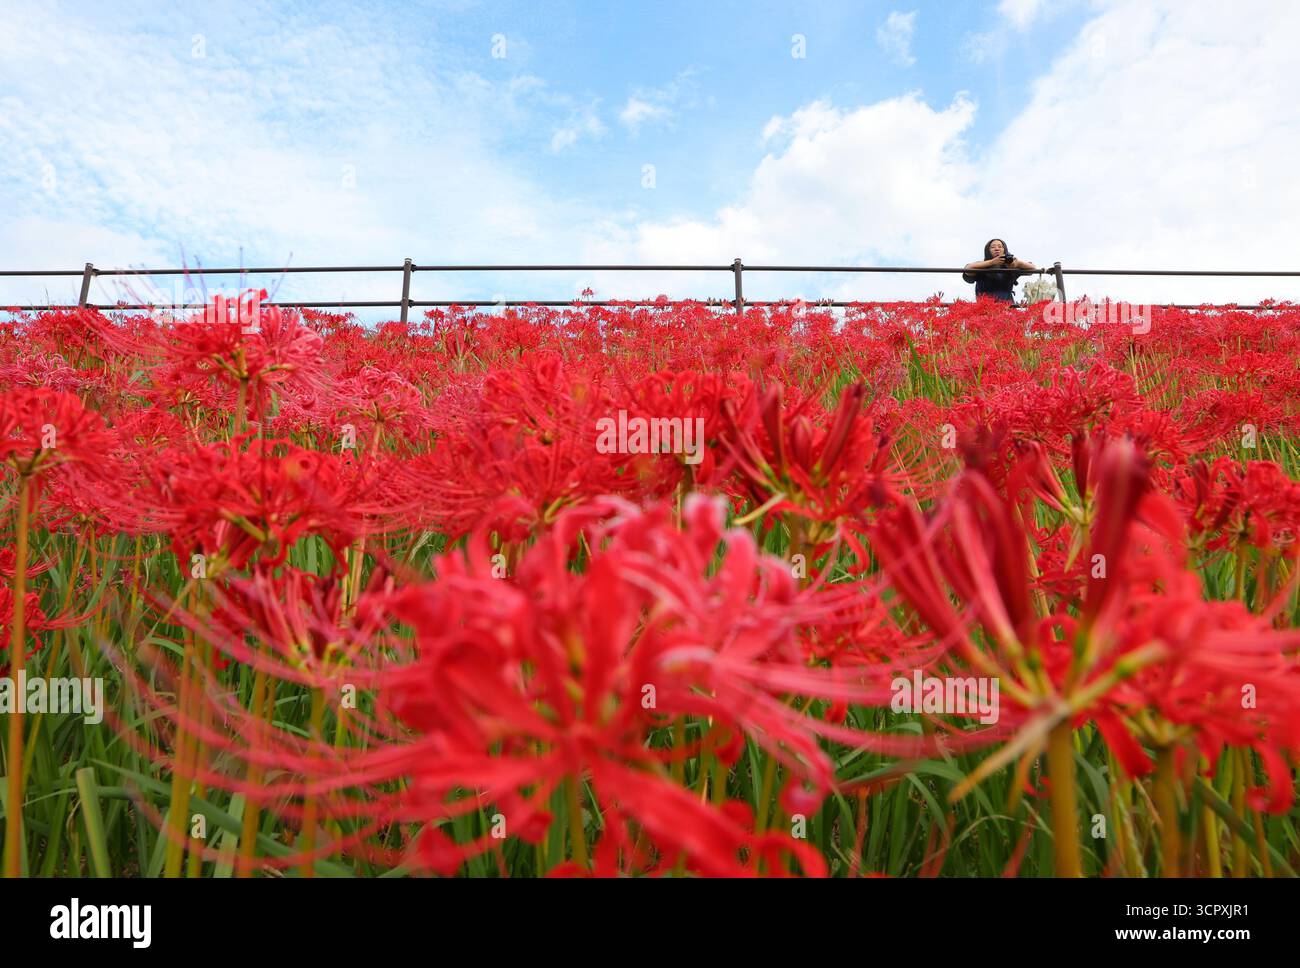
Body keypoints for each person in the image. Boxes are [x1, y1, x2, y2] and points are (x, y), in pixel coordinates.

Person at [962, 239, 1037, 304]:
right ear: (987, 251)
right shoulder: (981, 266)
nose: (997, 249)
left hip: (1007, 307)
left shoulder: (1010, 267)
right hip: (985, 308)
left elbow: (1033, 269)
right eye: (992, 247)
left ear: (1005, 250)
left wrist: (1018, 263)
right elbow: (967, 269)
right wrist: (991, 262)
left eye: (1000, 246)